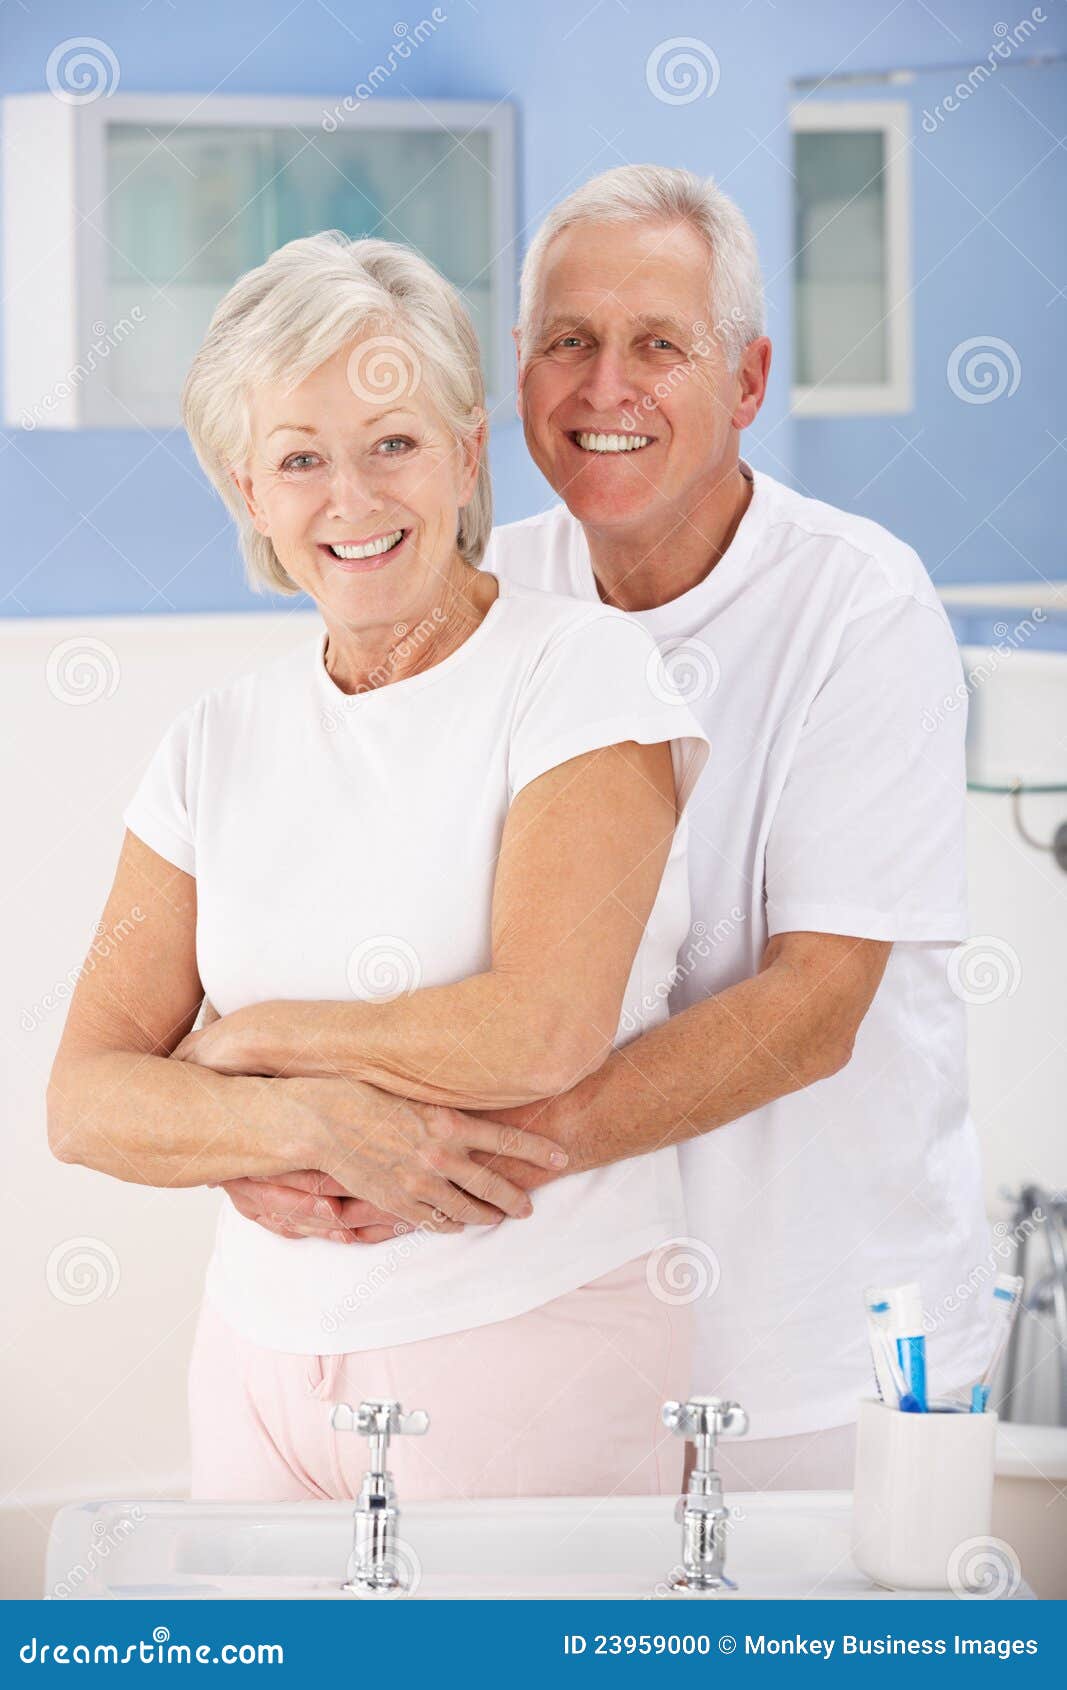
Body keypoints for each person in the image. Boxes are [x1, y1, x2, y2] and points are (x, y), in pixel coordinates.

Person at [240, 167, 994, 1492]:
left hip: (822, 1349)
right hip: (553, 1332)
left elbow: (814, 1004)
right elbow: (375, 920)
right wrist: (285, 1131)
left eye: (658, 345)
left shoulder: (856, 610)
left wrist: (453, 1156)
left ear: (748, 383)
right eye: (565, 343)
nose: (602, 390)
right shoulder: (475, 594)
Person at [46, 230, 709, 1502]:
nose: (349, 498)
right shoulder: (215, 740)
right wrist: (308, 1119)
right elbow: (86, 1099)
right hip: (256, 1362)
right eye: (300, 458)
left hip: (530, 1343)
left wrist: (246, 1043)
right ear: (249, 489)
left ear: (465, 453)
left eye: (392, 443)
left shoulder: (579, 676)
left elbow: (540, 1029)